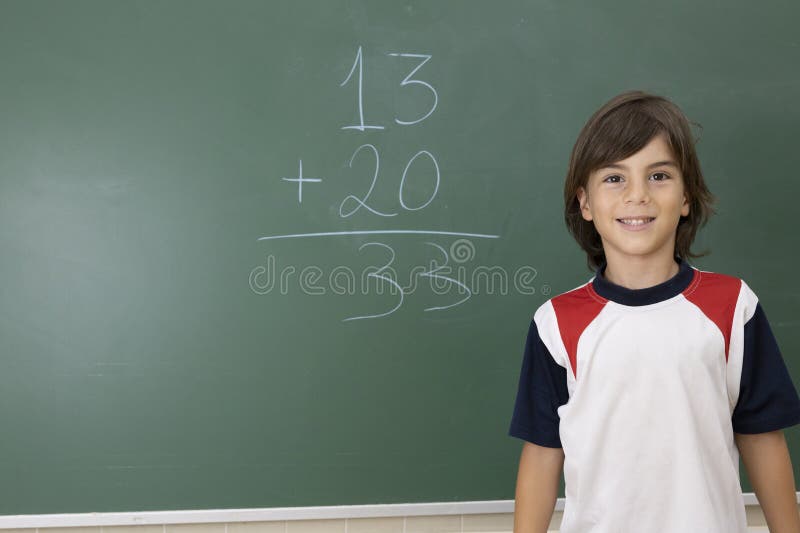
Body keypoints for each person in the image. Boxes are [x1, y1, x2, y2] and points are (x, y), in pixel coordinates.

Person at [508, 90, 800, 533]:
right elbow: (543, 452)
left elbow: (761, 437)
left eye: (659, 175)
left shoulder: (732, 306)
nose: (637, 195)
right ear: (585, 203)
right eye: (614, 178)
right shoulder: (557, 322)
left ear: (686, 198)